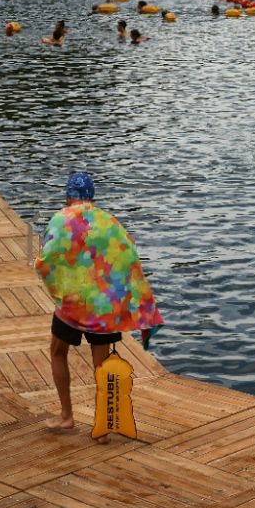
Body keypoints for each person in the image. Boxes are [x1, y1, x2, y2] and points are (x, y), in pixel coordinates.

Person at [35, 172, 164, 439]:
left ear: (68, 194)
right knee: (101, 364)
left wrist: (54, 280)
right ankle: (103, 427)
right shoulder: (109, 221)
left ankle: (67, 416)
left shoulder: (62, 218)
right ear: (92, 196)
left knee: (58, 353)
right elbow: (128, 251)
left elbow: (46, 257)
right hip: (103, 307)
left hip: (73, 304)